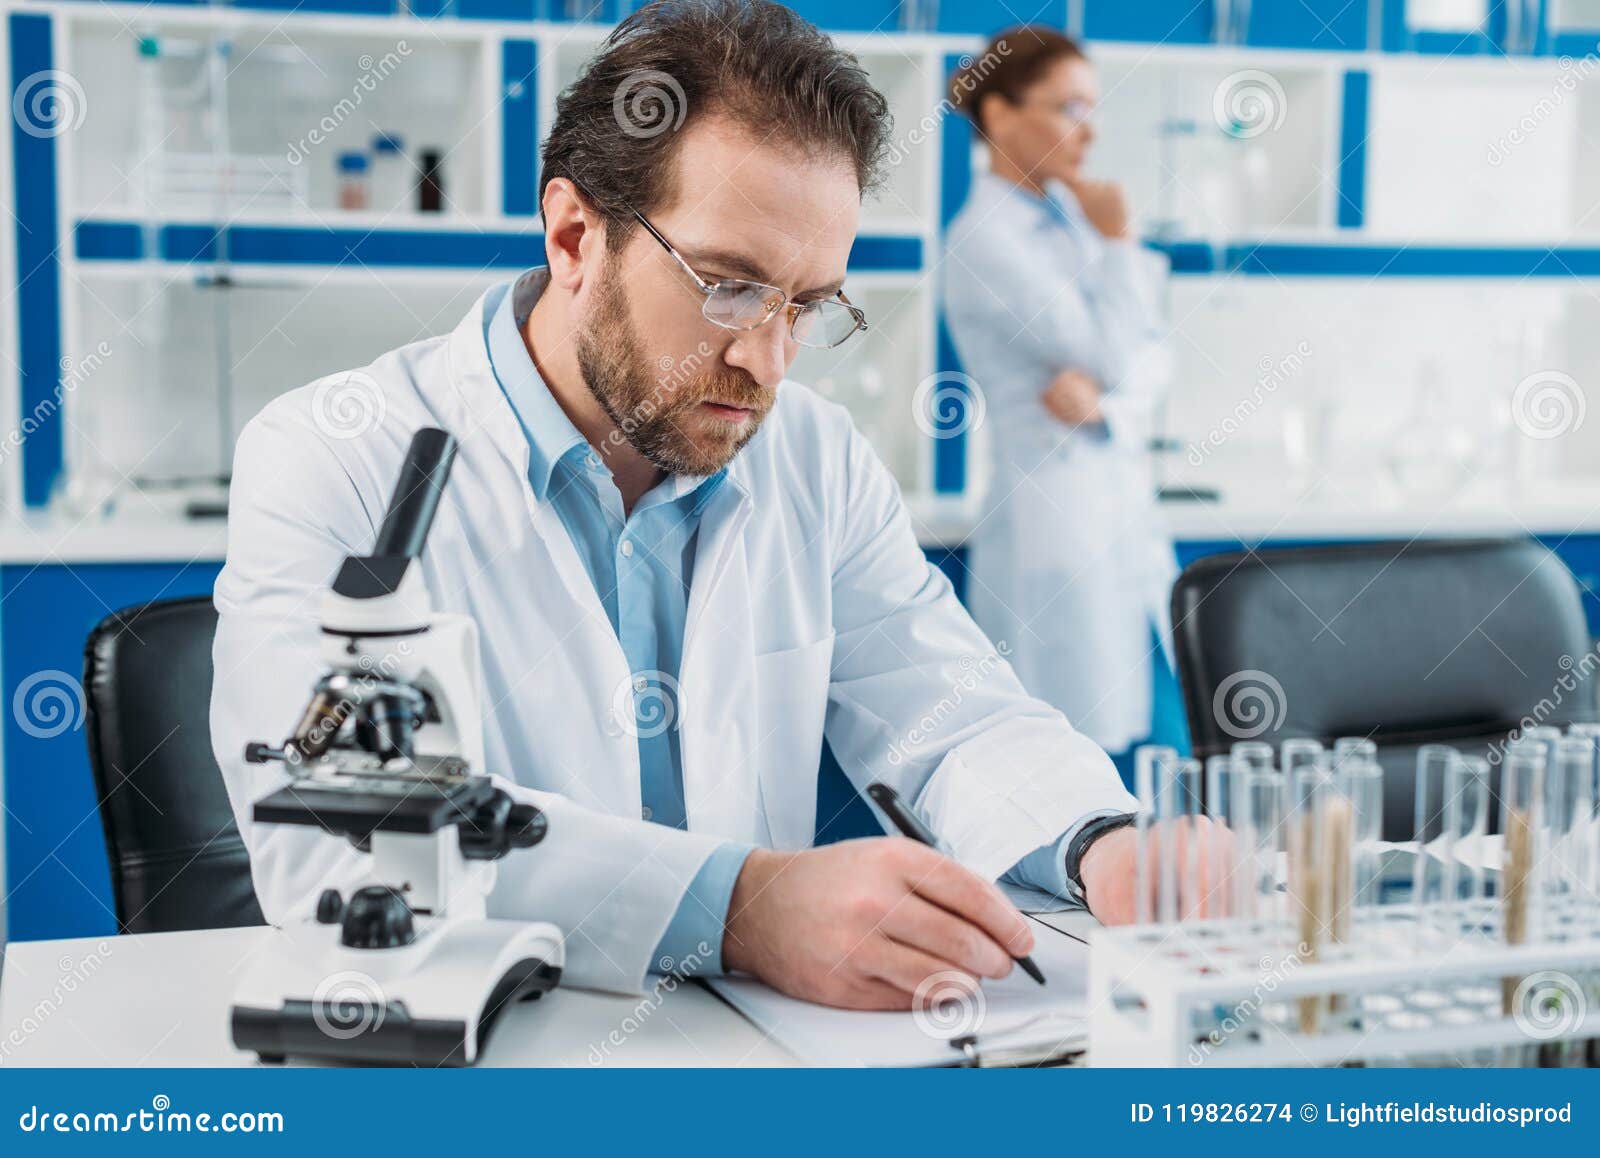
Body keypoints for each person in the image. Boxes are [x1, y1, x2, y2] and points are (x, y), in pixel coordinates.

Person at [211, 0, 1213, 1011]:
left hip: (755, 1055)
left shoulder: (811, 455)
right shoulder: (333, 456)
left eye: (809, 303)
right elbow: (332, 843)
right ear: (573, 236)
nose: (765, 359)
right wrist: (740, 907)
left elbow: (946, 713)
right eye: (729, 286)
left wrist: (1101, 843)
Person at [942, 28, 1187, 782]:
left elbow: (1156, 357)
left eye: (1094, 106)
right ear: (1002, 112)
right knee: (1071, 759)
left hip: (1122, 513)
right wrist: (1122, 245)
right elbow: (1116, 353)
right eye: (1070, 106)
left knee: (1164, 743)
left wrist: (1112, 408)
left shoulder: (1073, 221)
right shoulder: (983, 240)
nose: (1093, 128)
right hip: (1054, 523)